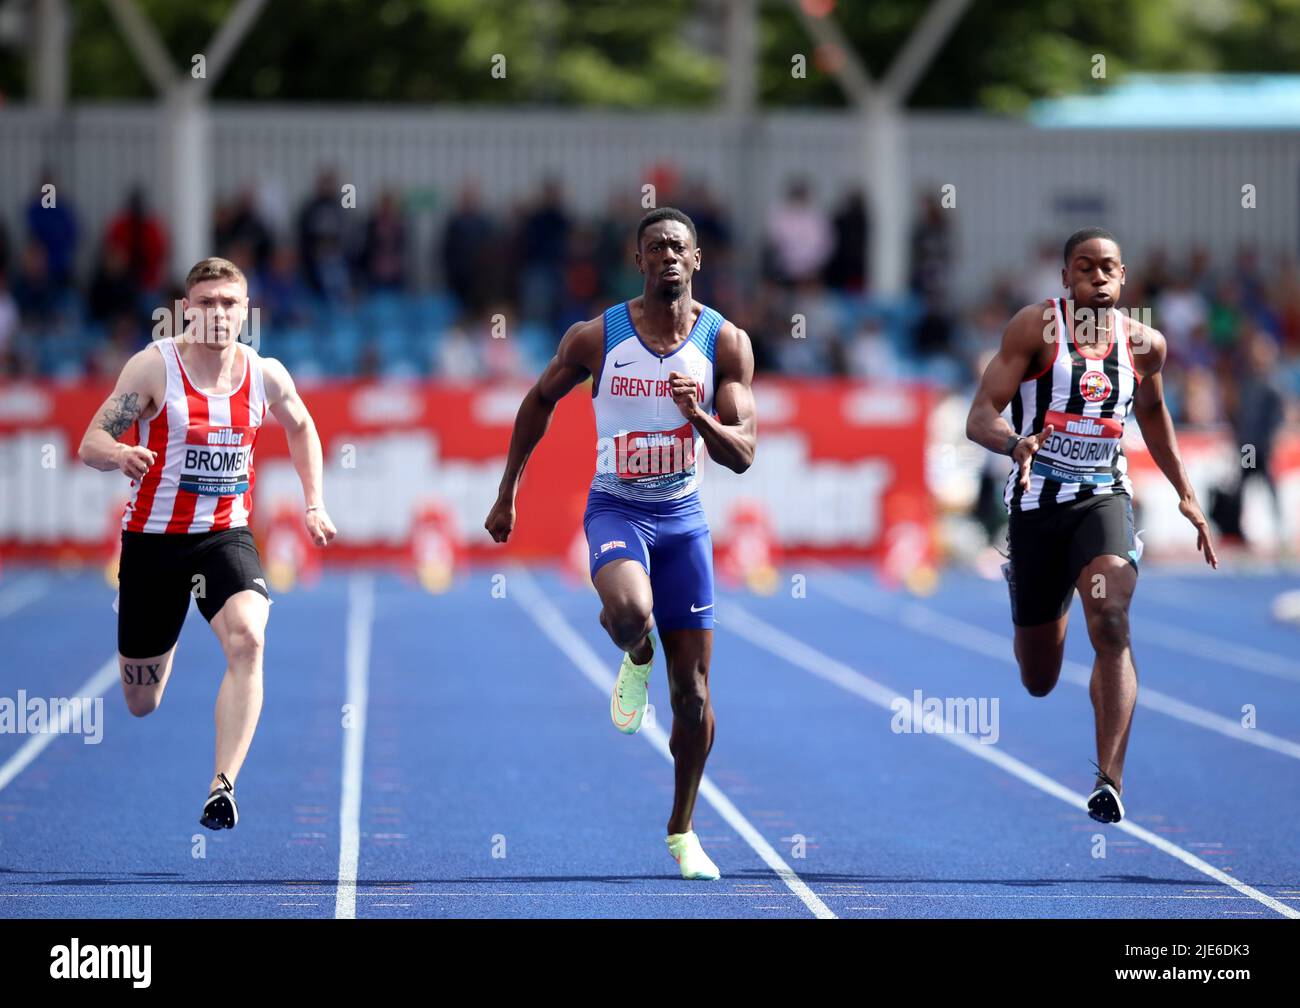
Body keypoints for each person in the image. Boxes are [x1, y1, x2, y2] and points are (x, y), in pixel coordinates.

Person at [485, 208, 757, 879]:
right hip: (617, 509)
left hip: (683, 519)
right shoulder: (597, 337)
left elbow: (745, 453)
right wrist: (508, 489)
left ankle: (682, 829)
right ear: (638, 261)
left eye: (678, 247)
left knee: (692, 696)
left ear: (697, 260)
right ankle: (634, 652)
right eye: (655, 246)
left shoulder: (726, 344)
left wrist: (698, 416)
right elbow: (537, 401)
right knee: (632, 613)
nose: (667, 255)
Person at [966, 227, 1217, 825]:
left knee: (1110, 619)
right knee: (1038, 677)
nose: (1097, 279)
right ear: (1065, 278)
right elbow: (979, 415)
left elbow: (1153, 415)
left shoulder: (1145, 344)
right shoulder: (1034, 327)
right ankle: (1026, 586)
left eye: (1108, 269)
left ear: (1124, 278)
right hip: (1035, 506)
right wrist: (1016, 443)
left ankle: (1109, 779)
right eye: (1085, 268)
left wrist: (1187, 493)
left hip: (1103, 496)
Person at [77, 257, 337, 830]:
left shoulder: (265, 374)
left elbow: (301, 426)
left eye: (230, 303)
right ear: (187, 309)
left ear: (245, 312)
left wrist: (314, 502)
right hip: (152, 545)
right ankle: (160, 632)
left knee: (248, 638)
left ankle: (223, 784)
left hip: (224, 536)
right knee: (141, 702)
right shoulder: (152, 369)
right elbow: (90, 441)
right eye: (207, 303)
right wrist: (120, 453)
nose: (218, 314)